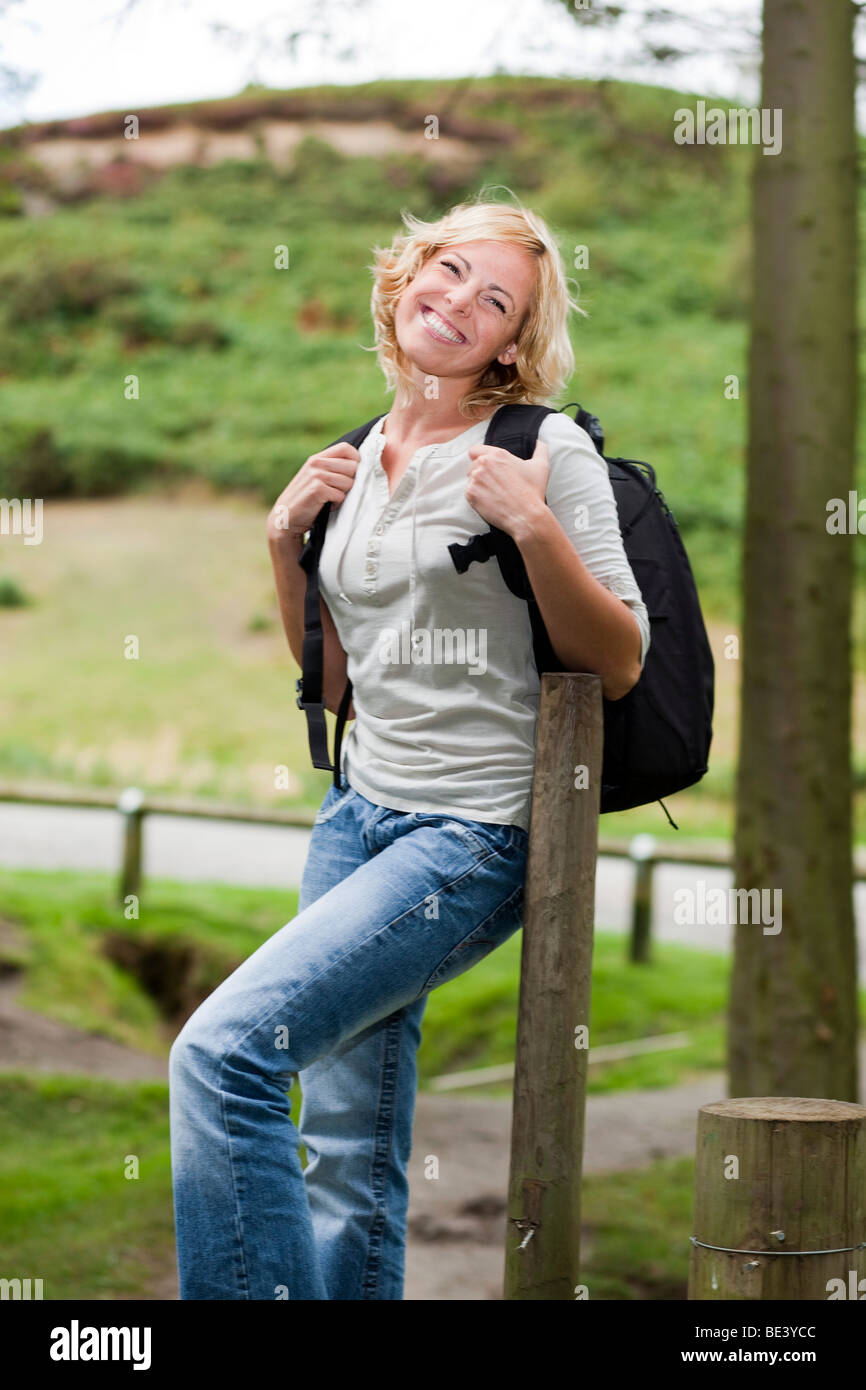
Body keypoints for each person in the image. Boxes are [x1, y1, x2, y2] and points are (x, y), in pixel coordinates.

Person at [168, 192, 650, 1300]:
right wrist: (284, 540)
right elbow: (337, 683)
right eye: (448, 274)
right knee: (345, 1142)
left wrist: (530, 525)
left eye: (495, 301)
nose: (458, 303)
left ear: (511, 344)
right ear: (405, 279)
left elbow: (617, 657)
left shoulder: (542, 448)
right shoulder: (357, 452)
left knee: (224, 1053)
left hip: (473, 833)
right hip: (358, 815)